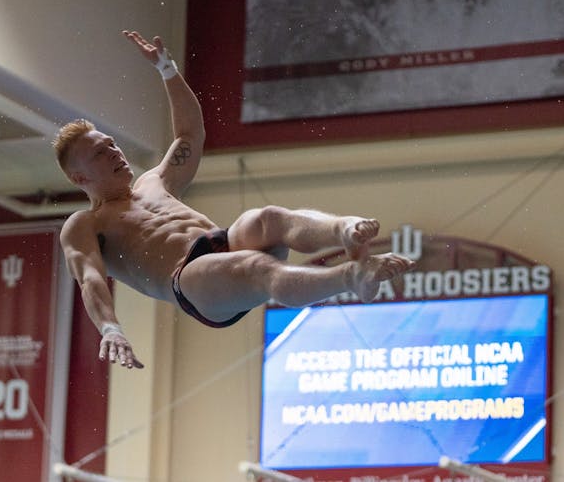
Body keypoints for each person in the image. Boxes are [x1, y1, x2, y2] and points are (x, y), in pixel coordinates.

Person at [54, 30, 414, 370]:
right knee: (257, 269)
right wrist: (111, 328)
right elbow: (90, 279)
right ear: (79, 177)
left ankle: (344, 230)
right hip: (190, 280)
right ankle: (352, 276)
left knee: (268, 217)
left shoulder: (155, 181)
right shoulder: (86, 225)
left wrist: (168, 71)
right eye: (101, 154)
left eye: (112, 145)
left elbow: (190, 133)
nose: (115, 153)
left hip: (222, 240)